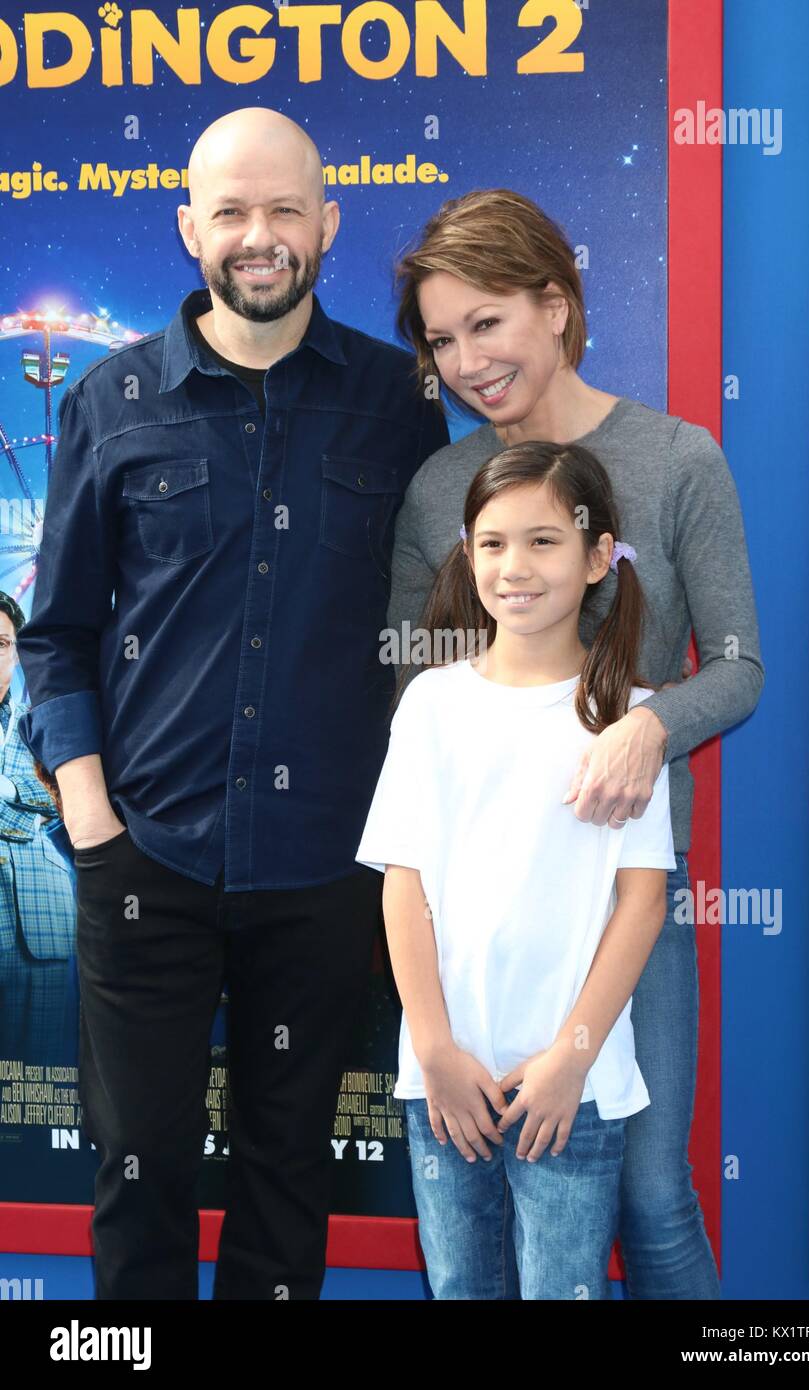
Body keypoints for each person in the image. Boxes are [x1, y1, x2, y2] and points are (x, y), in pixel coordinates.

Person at [15, 107, 448, 1300]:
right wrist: (94, 826)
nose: (259, 238)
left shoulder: (393, 399)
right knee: (137, 1176)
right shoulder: (109, 397)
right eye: (231, 213)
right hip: (143, 861)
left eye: (284, 210)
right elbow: (55, 635)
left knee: (284, 1176)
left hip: (320, 873)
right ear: (187, 227)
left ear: (328, 220)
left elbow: (426, 637)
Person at [386, 188, 765, 1299]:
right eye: (441, 340)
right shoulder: (436, 492)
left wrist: (644, 723)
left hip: (623, 902)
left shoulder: (676, 459)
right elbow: (413, 672)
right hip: (482, 914)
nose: (466, 361)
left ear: (556, 305)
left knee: (650, 1199)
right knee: (482, 1225)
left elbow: (738, 665)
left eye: (486, 323)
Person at [357, 439, 676, 1299]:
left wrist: (572, 1056)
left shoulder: (631, 721)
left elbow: (641, 903)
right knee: (462, 1285)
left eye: (545, 540)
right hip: (445, 1077)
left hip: (571, 1084)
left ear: (598, 554)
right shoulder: (432, 701)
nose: (516, 566)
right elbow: (404, 883)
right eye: (493, 542)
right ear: (468, 555)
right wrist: (433, 1049)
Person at [0, 591, 76, 1061]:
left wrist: (6, 791)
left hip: (41, 921)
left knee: (40, 1078)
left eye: (0, 643)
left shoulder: (43, 722)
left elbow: (68, 799)